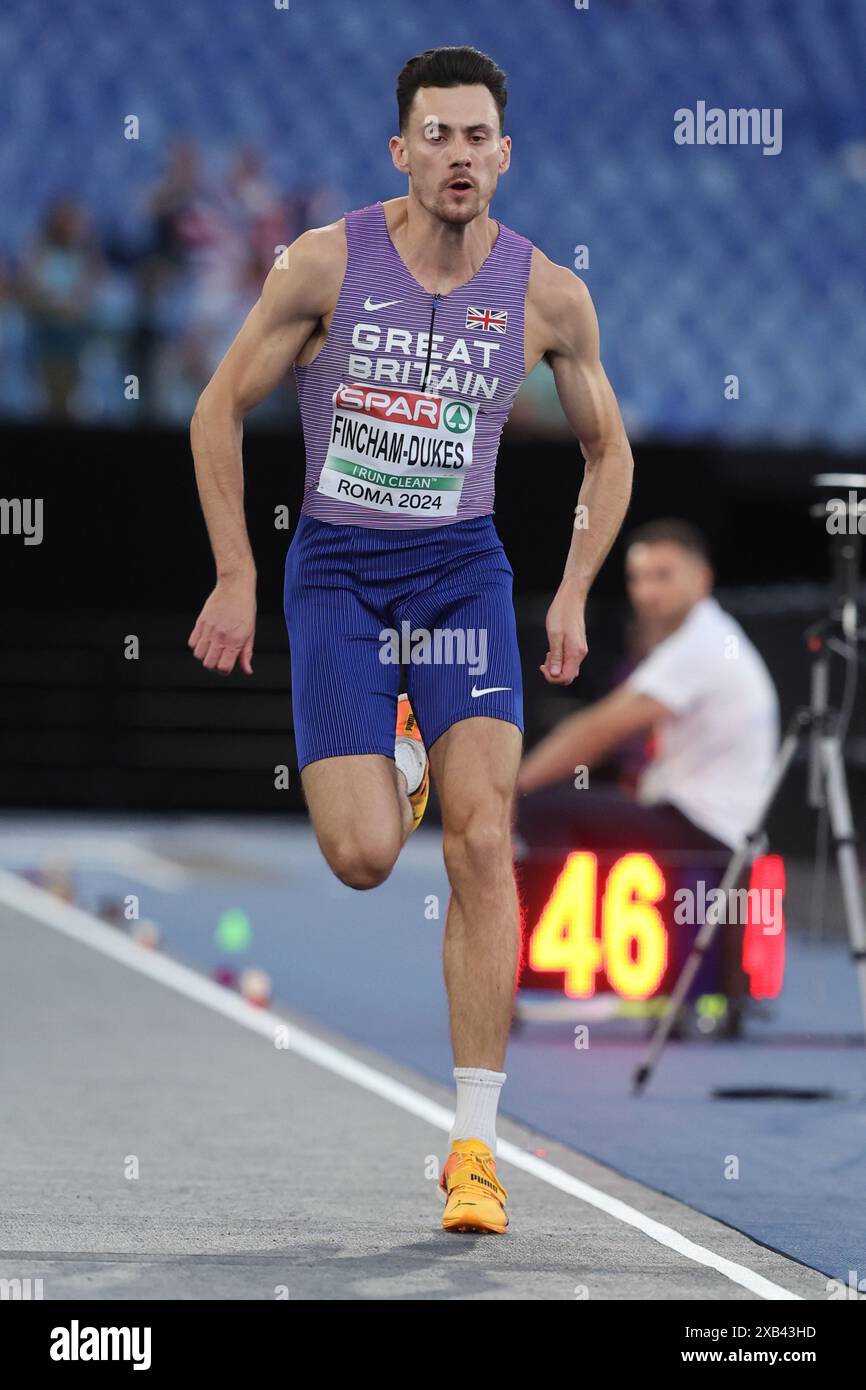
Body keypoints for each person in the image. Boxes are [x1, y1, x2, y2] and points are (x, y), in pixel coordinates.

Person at [188, 46, 634, 1234]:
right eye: (434, 134)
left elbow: (607, 448)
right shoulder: (324, 263)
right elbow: (216, 406)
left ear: (503, 153)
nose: (456, 154)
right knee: (362, 855)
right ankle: (395, 738)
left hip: (457, 578)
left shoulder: (546, 295)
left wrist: (575, 588)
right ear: (401, 150)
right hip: (336, 570)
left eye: (475, 135)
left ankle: (474, 1150)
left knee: (485, 842)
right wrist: (236, 573)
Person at [518, 519, 781, 1029]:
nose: (648, 591)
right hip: (712, 823)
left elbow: (598, 730)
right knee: (582, 801)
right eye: (639, 578)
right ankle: (631, 971)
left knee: (539, 805)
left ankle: (561, 973)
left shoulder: (701, 644)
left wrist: (512, 788)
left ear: (701, 578)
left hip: (708, 833)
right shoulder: (705, 638)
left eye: (664, 575)